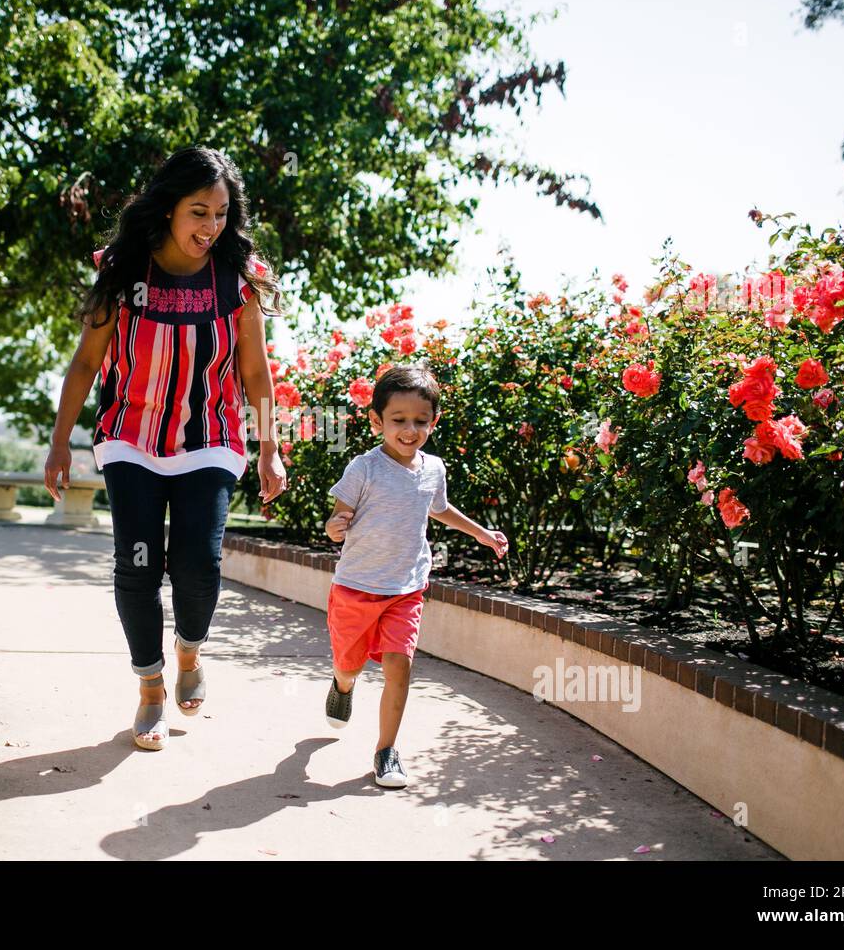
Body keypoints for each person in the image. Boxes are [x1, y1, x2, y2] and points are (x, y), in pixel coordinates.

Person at [45, 146, 287, 751]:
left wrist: (268, 450)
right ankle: (150, 688)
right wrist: (59, 446)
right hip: (131, 437)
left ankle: (189, 650)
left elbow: (255, 373)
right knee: (138, 563)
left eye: (221, 214)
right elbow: (84, 365)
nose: (210, 228)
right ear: (169, 209)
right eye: (198, 212)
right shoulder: (125, 271)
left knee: (199, 565)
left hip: (211, 436)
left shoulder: (238, 281)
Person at [323, 363, 508, 787]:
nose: (410, 430)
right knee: (349, 666)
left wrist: (481, 533)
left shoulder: (433, 469)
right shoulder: (363, 468)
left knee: (399, 666)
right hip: (356, 587)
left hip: (406, 587)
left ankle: (386, 751)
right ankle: (342, 684)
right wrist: (335, 526)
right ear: (376, 421)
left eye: (420, 422)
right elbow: (339, 515)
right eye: (399, 421)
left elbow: (438, 508)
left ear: (433, 421)